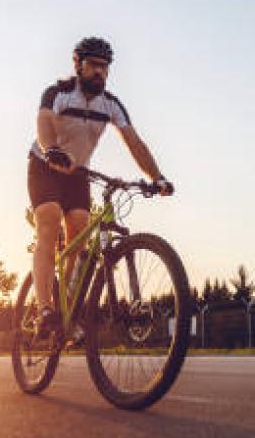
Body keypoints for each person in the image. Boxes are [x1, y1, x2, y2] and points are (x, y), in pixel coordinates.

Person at [28, 37, 173, 334]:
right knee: (50, 221)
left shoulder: (111, 104)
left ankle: (66, 306)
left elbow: (134, 142)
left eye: (105, 68)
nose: (100, 72)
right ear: (78, 65)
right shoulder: (58, 93)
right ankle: (44, 310)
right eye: (93, 65)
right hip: (45, 166)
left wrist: (156, 177)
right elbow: (43, 122)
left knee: (79, 234)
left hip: (78, 174)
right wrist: (51, 149)